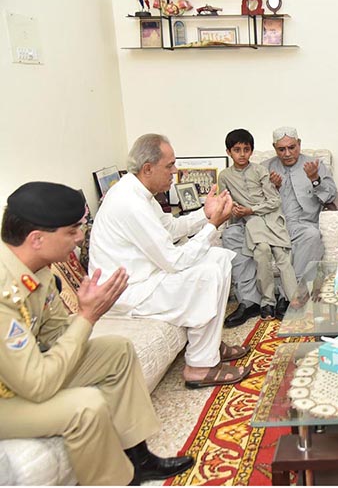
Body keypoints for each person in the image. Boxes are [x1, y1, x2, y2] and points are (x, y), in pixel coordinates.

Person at [0, 182, 194, 485]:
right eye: (71, 231)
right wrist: (88, 317)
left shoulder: (39, 270)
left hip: (23, 374)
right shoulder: (3, 289)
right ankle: (116, 481)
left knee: (117, 351)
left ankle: (139, 460)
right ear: (36, 239)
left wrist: (86, 312)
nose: (79, 240)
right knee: (86, 407)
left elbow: (55, 335)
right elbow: (36, 385)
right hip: (6, 397)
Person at [89, 134, 252, 389]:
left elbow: (171, 228)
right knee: (207, 273)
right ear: (147, 168)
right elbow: (174, 261)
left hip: (148, 279)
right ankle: (199, 367)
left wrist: (204, 213)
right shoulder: (130, 203)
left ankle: (208, 347)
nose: (175, 171)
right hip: (129, 293)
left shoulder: (140, 192)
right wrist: (212, 225)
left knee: (217, 256)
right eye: (170, 166)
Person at [224, 127, 337, 321]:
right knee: (231, 235)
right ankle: (249, 301)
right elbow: (249, 198)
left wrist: (315, 179)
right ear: (274, 148)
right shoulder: (263, 168)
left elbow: (331, 196)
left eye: (292, 147)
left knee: (311, 235)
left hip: (298, 224)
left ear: (299, 144)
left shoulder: (314, 164)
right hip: (265, 222)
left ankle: (291, 295)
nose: (287, 153)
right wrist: (272, 187)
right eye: (281, 149)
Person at [218, 128, 297, 328]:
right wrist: (235, 210)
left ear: (251, 151)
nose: (242, 154)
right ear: (229, 152)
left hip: (270, 217)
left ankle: (292, 300)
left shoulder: (260, 170)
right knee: (262, 250)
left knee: (281, 254)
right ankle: (267, 301)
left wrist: (251, 208)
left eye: (246, 149)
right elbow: (224, 202)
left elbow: (274, 200)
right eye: (237, 150)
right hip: (251, 221)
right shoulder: (225, 176)